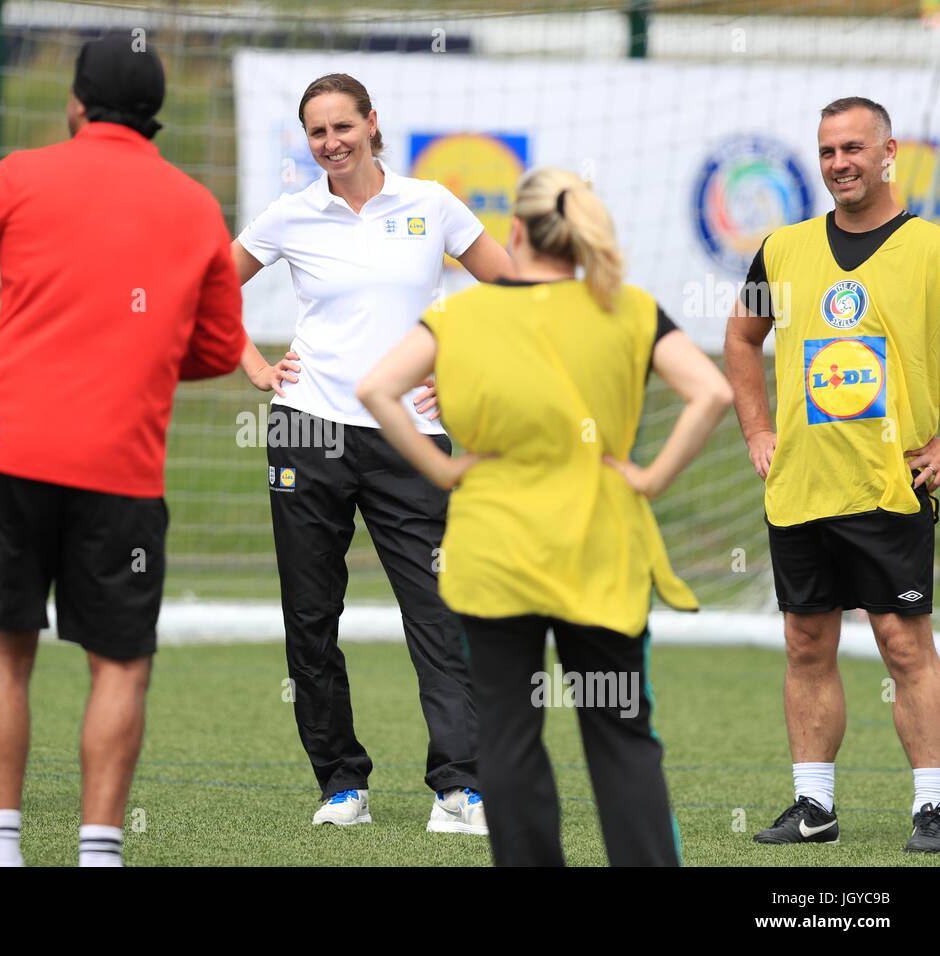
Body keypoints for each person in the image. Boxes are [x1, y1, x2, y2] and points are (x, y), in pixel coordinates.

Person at [0, 32, 244, 867]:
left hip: (11, 458)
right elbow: (221, 350)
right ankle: (99, 853)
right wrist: (141, 350)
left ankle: (2, 850)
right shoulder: (194, 204)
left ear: (76, 104)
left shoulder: (21, 175)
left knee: (3, 650)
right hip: (122, 467)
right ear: (155, 114)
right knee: (120, 666)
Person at [358, 167, 732, 866]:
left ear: (518, 231)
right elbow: (710, 392)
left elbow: (376, 387)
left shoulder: (461, 313)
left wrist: (441, 469)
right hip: (601, 552)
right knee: (621, 735)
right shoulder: (629, 309)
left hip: (494, 555)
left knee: (508, 733)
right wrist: (648, 479)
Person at [231, 73, 515, 832]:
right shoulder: (291, 214)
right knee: (311, 617)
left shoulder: (432, 204)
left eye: (342, 127)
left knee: (441, 610)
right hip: (304, 431)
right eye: (317, 132)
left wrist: (455, 371)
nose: (331, 143)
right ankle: (341, 786)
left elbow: (514, 290)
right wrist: (258, 368)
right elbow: (210, 290)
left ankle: (461, 788)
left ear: (371, 123)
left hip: (410, 437)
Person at [725, 97, 940, 853]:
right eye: (827, 151)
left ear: (888, 154)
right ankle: (813, 806)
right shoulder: (782, 248)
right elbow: (742, 335)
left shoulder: (930, 249)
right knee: (806, 642)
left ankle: (933, 808)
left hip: (891, 483)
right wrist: (756, 427)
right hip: (803, 486)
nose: (840, 163)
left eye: (854, 148)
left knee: (903, 643)